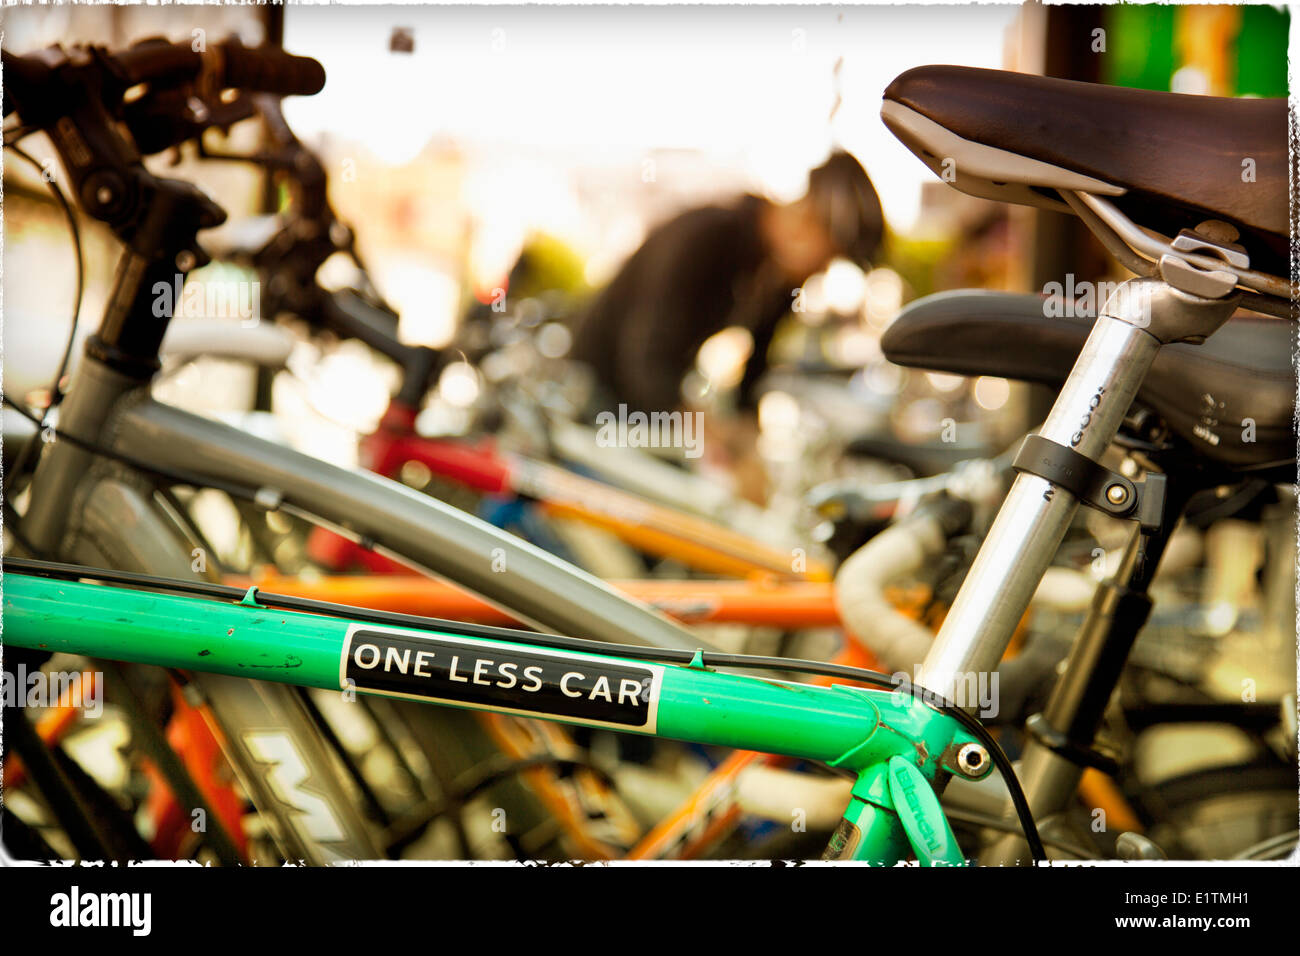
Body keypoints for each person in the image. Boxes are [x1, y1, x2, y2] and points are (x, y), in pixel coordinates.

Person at [569, 150, 885, 422]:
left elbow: (756, 365)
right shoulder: (707, 237)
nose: (821, 270)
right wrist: (702, 431)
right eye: (827, 256)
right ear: (806, 219)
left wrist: (745, 432)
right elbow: (647, 359)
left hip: (646, 404)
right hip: (594, 392)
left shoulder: (775, 276)